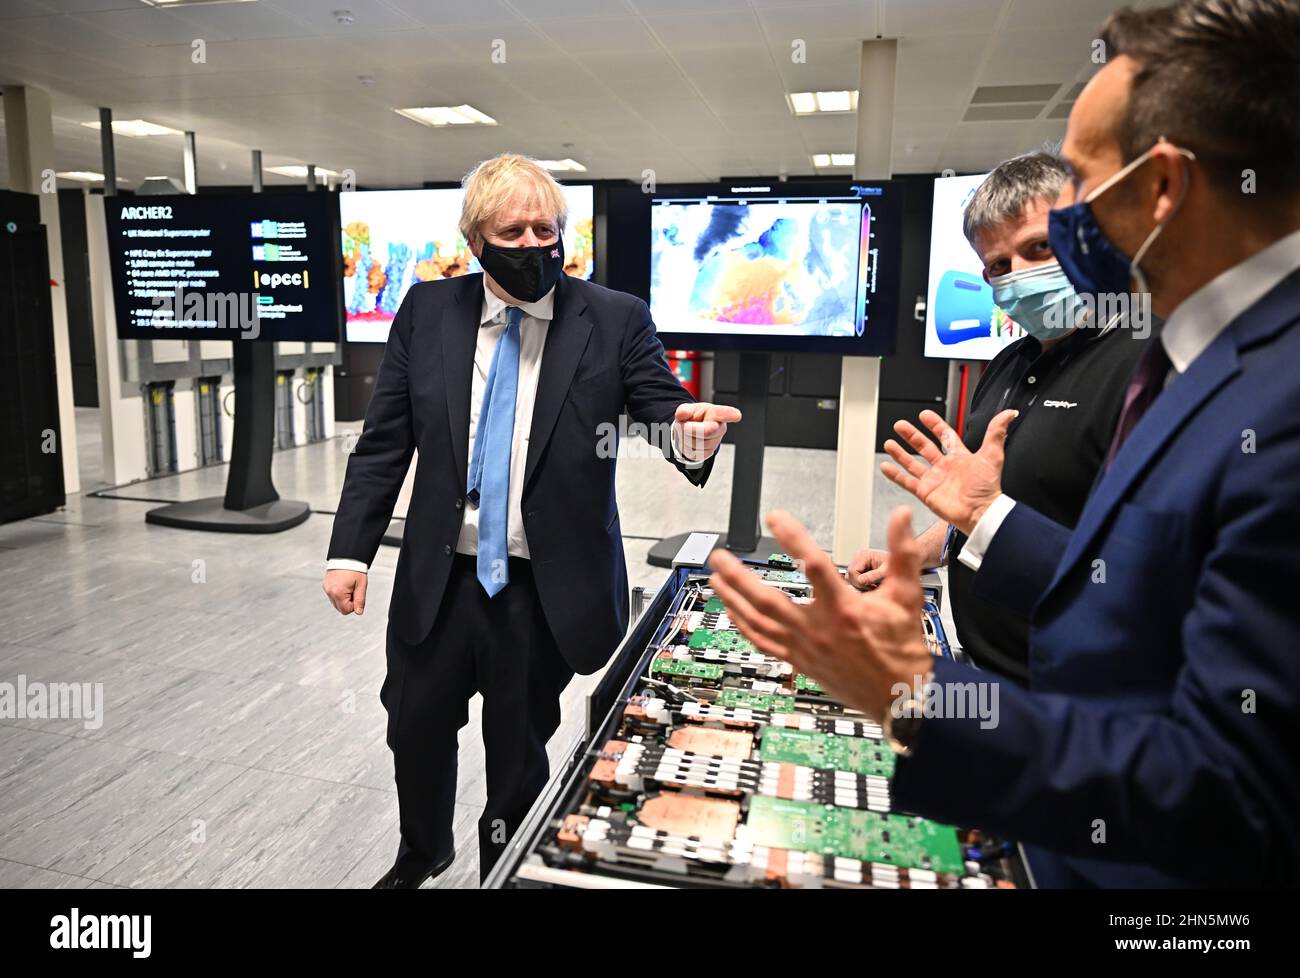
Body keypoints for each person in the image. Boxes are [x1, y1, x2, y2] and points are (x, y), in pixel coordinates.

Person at [709, 0, 1300, 887]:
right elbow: (1140, 601)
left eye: (1084, 188)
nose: (1057, 246)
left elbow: (1234, 792)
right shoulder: (1200, 355)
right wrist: (958, 545)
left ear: (1164, 188)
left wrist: (918, 694)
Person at [323, 154, 741, 887]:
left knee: (517, 751)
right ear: (476, 240)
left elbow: (659, 406)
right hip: (439, 577)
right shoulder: (427, 312)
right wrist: (350, 552)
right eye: (511, 230)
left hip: (539, 587)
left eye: (545, 228)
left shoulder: (612, 318)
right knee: (413, 725)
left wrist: (690, 430)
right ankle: (422, 849)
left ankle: (503, 873)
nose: (532, 243)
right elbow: (385, 439)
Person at [847, 152, 1149, 683]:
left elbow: (1142, 581)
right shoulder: (1012, 361)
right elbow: (982, 509)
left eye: (1039, 248)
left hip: (1080, 695)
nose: (1020, 277)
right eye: (999, 266)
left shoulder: (1149, 368)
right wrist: (913, 556)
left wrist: (985, 513)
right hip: (987, 667)